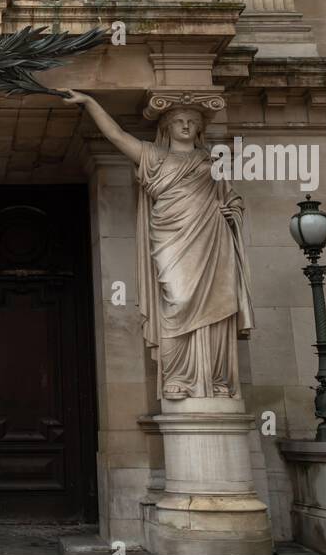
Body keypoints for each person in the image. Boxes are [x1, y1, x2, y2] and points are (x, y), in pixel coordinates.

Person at [63, 91, 253, 399]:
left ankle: (215, 377)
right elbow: (116, 135)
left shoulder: (210, 161)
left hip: (212, 238)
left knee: (218, 305)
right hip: (171, 240)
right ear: (166, 126)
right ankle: (179, 375)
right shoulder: (153, 156)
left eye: (192, 121)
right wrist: (90, 102)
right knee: (176, 301)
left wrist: (232, 212)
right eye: (179, 120)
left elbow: (230, 198)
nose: (186, 125)